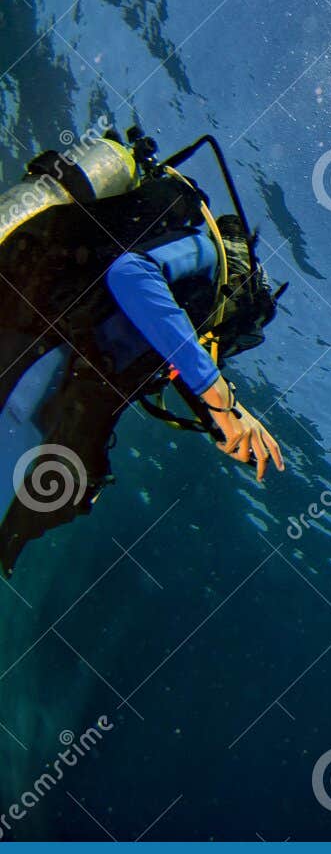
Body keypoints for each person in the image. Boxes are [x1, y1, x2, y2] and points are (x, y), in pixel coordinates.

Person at [0, 127, 284, 576]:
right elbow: (131, 274)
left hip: (49, 354)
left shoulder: (189, 317)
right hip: (33, 332)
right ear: (244, 295)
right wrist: (220, 400)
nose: (229, 342)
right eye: (242, 331)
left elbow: (163, 353)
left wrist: (224, 413)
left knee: (74, 476)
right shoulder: (209, 257)